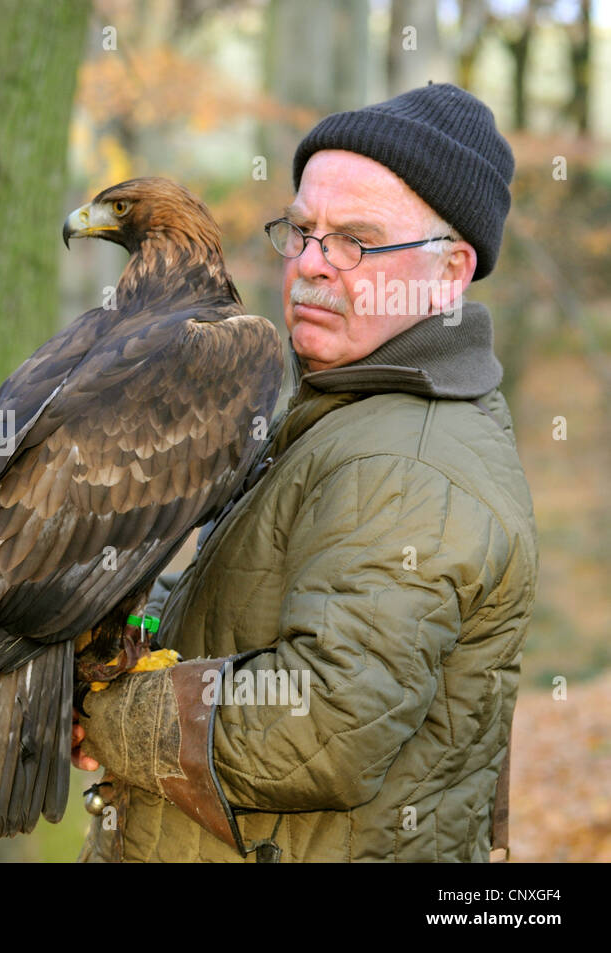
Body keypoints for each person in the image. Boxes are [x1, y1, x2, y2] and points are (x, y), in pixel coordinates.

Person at [73, 82, 538, 863]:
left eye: (355, 240)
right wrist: (98, 636)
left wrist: (109, 715)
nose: (314, 266)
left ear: (452, 272)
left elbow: (324, 725)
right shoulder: (339, 413)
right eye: (303, 230)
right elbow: (220, 611)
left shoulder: (409, 464)